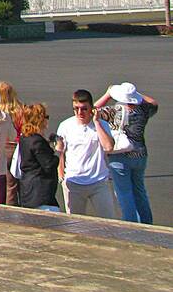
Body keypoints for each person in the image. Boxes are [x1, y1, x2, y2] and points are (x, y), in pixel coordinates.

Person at [96, 82, 159, 224]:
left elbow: (92, 110)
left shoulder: (114, 111)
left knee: (124, 194)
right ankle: (147, 223)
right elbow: (154, 103)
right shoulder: (143, 110)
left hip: (120, 157)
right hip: (140, 156)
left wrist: (108, 94)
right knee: (139, 191)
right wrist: (136, 94)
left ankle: (131, 225)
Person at [57, 88, 118, 218]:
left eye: (84, 108)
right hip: (74, 183)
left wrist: (96, 122)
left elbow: (108, 147)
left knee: (109, 222)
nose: (80, 112)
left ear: (91, 108)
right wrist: (61, 175)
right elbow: (60, 152)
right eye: (76, 108)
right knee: (75, 225)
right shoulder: (65, 126)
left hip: (99, 182)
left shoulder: (101, 124)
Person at [16, 103, 61, 212]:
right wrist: (58, 151)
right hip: (40, 192)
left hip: (28, 190)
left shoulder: (25, 138)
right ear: (39, 120)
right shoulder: (37, 141)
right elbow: (49, 165)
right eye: (46, 117)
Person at [0, 81, 25, 207]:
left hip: (3, 147)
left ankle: (9, 208)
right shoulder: (21, 109)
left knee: (7, 183)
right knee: (16, 182)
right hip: (17, 147)